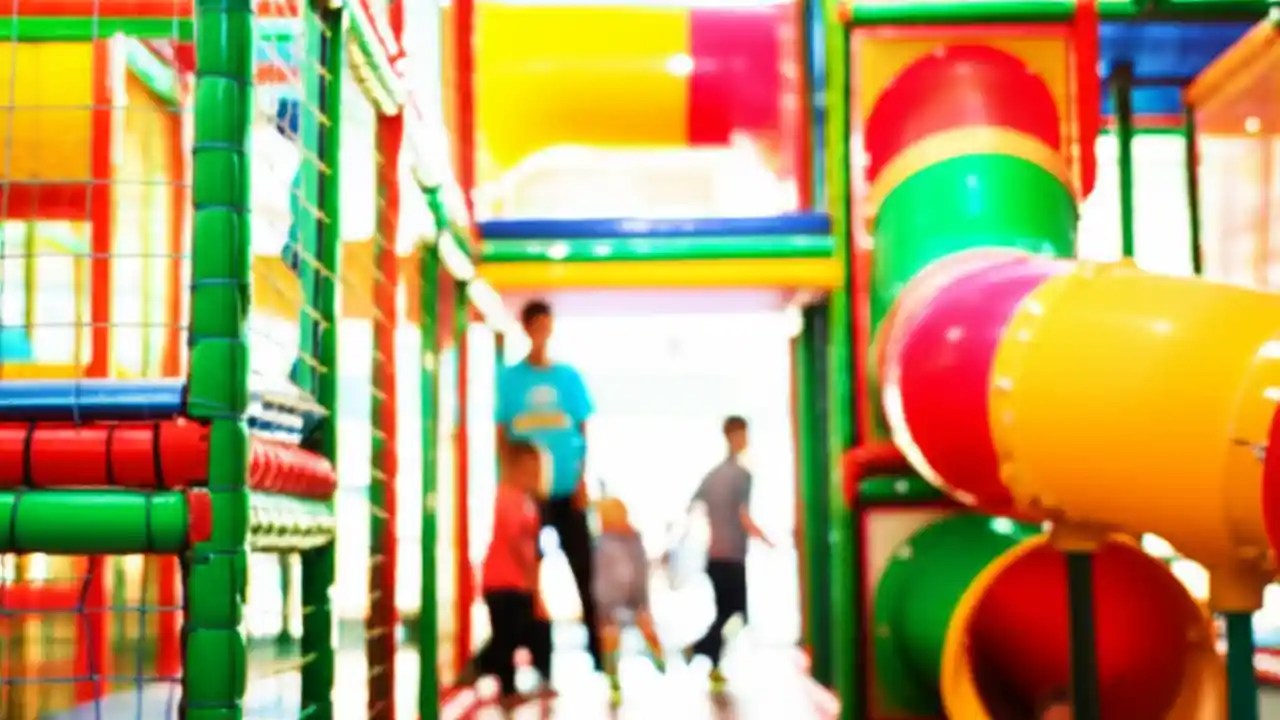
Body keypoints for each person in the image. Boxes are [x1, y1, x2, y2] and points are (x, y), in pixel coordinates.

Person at [496, 300, 603, 673]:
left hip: (567, 491)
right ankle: (538, 662)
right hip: (528, 497)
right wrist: (510, 484)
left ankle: (600, 659)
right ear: (526, 328)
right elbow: (502, 436)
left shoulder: (568, 378)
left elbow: (583, 431)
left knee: (585, 573)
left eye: (546, 325)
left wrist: (581, 480)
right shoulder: (510, 379)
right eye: (535, 325)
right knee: (527, 578)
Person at [684, 415, 773, 689]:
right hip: (731, 554)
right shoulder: (741, 475)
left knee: (726, 612)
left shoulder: (713, 475)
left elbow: (693, 508)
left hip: (714, 554)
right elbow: (744, 515)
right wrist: (766, 539)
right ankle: (700, 648)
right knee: (735, 613)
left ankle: (713, 662)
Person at [459, 441, 549, 707]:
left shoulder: (525, 501)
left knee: (510, 636)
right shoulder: (509, 498)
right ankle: (485, 675)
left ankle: (501, 684)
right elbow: (516, 540)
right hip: (504, 581)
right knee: (507, 637)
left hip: (513, 581)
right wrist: (532, 581)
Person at [592, 497, 666, 704]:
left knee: (647, 628)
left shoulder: (634, 539)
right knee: (610, 637)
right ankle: (613, 679)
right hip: (610, 598)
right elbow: (602, 576)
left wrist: (643, 601)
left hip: (636, 595)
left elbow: (641, 569)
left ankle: (661, 664)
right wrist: (605, 605)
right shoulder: (602, 542)